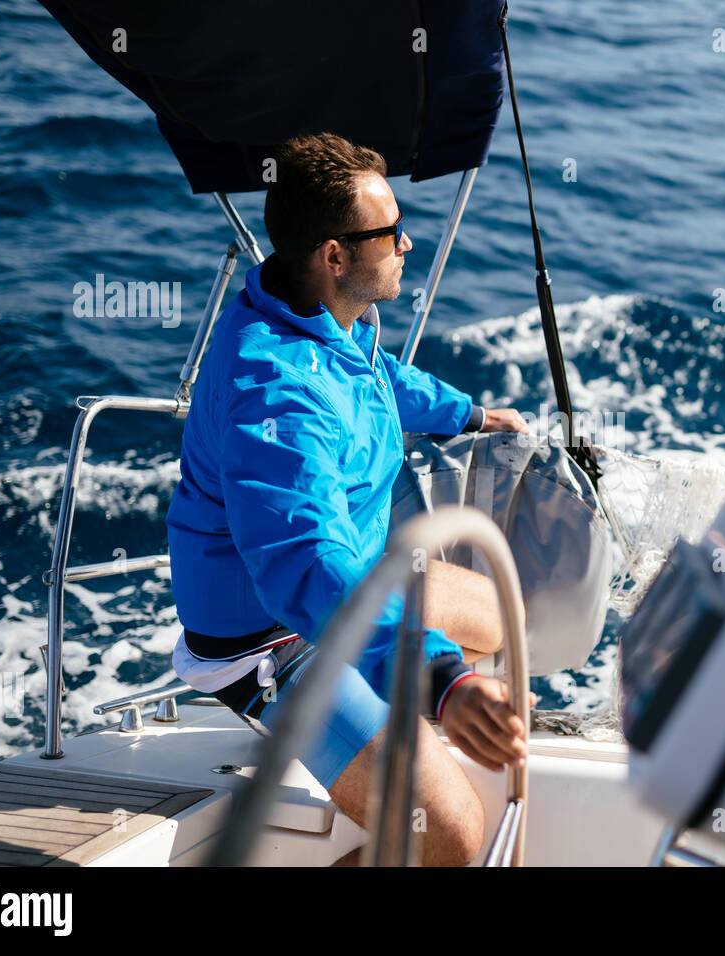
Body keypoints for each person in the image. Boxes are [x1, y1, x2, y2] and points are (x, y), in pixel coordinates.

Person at [166, 133, 530, 866]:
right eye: (390, 233)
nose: (408, 243)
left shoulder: (332, 320)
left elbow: (377, 380)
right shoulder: (273, 393)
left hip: (354, 580)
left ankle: (401, 718)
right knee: (452, 833)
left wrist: (466, 414)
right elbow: (308, 566)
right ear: (335, 256)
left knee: (502, 614)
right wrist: (440, 679)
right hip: (273, 640)